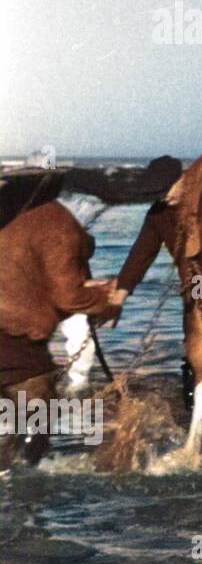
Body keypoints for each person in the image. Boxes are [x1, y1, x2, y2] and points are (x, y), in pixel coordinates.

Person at [0, 200, 123, 469]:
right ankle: (22, 477)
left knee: (16, 416)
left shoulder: (12, 216)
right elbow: (70, 297)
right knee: (38, 409)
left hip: (10, 334)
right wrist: (107, 299)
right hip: (16, 342)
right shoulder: (59, 224)